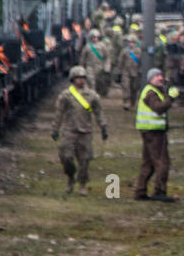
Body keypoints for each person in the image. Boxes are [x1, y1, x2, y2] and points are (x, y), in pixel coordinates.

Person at [51, 65, 108, 196]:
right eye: (78, 78)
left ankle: (82, 184)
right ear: (73, 79)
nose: (81, 80)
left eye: (83, 78)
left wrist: (103, 127)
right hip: (69, 131)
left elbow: (99, 113)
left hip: (85, 132)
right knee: (66, 157)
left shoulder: (92, 95)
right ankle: (71, 177)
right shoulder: (66, 95)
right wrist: (55, 129)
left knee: (85, 160)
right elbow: (59, 113)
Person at [133, 67, 178, 201]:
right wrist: (171, 97)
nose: (160, 78)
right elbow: (159, 108)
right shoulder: (150, 93)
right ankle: (160, 191)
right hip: (153, 132)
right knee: (162, 162)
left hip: (150, 131)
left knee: (148, 163)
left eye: (161, 76)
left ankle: (140, 191)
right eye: (156, 76)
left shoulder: (154, 91)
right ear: (150, 79)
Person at [81, 28, 114, 97]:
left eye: (96, 37)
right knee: (91, 81)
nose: (95, 39)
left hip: (100, 67)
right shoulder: (87, 47)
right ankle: (93, 96)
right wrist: (82, 68)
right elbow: (83, 58)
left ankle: (98, 94)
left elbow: (107, 57)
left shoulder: (102, 46)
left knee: (100, 83)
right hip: (90, 67)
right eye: (93, 37)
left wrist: (107, 67)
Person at [117, 33, 143, 112]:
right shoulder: (124, 51)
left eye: (132, 42)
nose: (131, 44)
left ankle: (132, 102)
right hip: (126, 72)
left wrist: (140, 71)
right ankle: (126, 102)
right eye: (129, 42)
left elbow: (141, 62)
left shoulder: (139, 51)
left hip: (135, 73)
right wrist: (119, 71)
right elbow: (120, 61)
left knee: (134, 88)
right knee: (126, 87)